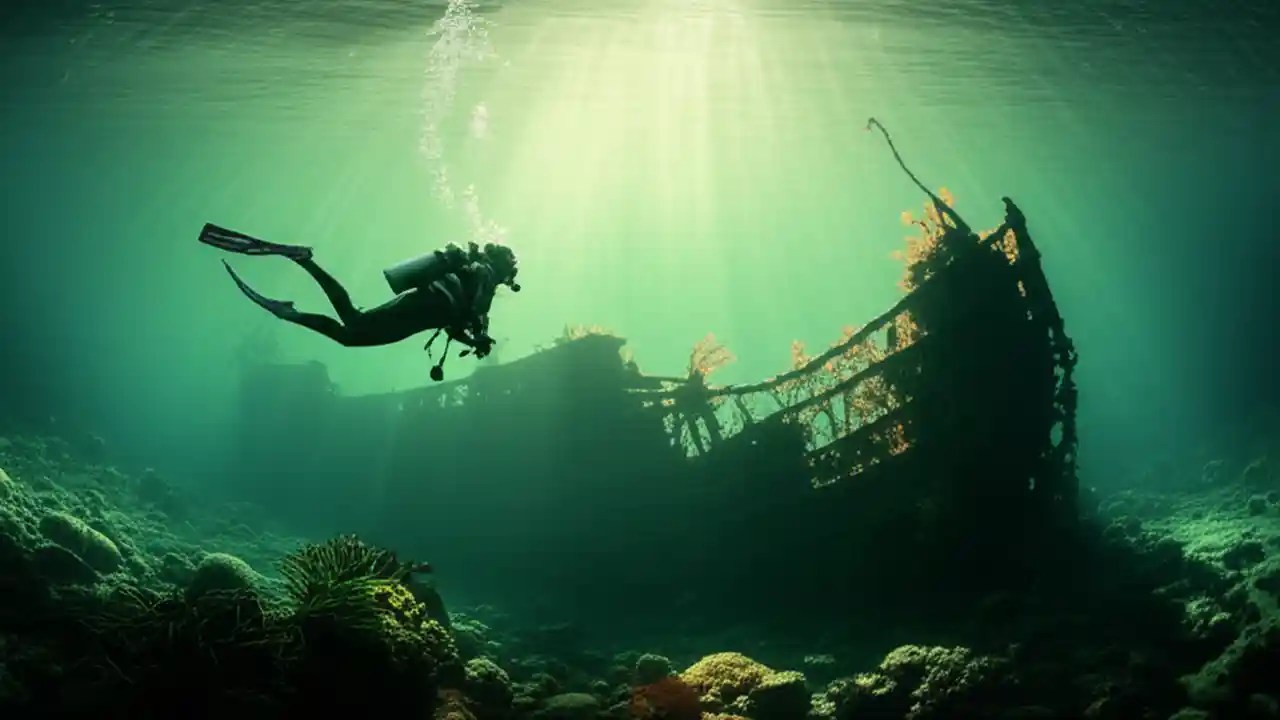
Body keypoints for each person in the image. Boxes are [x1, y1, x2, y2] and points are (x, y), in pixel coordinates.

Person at [198, 223, 519, 371]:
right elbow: (463, 317)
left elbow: (455, 322)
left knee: (350, 335)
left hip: (418, 310)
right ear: (504, 270)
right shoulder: (485, 281)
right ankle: (302, 264)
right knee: (353, 322)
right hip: (417, 311)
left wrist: (472, 338)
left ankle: (289, 308)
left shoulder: (474, 272)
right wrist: (477, 339)